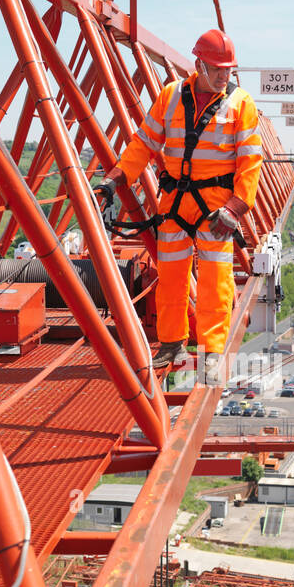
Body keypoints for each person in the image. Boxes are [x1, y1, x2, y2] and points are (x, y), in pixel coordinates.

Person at [92, 29, 263, 385]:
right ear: (198, 63)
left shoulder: (241, 104)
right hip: (174, 206)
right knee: (170, 277)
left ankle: (212, 353)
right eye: (216, 68)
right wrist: (115, 179)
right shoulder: (171, 97)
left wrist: (235, 208)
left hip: (217, 209)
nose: (223, 76)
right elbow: (144, 143)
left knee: (216, 280)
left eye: (228, 70)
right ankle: (171, 344)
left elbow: (250, 162)